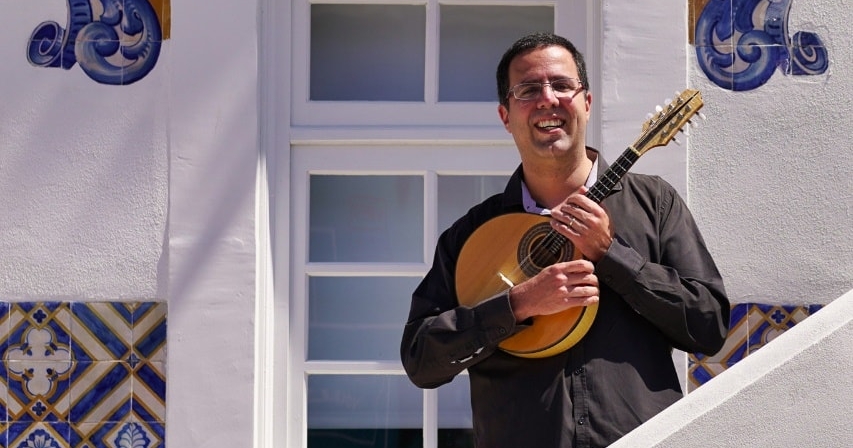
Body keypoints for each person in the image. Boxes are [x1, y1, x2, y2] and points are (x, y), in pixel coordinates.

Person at [400, 32, 730, 447]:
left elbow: (709, 328)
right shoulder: (471, 236)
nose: (547, 99)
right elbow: (421, 360)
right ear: (505, 116)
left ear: (586, 102)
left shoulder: (654, 204)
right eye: (528, 90)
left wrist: (612, 255)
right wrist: (517, 305)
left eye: (561, 85)